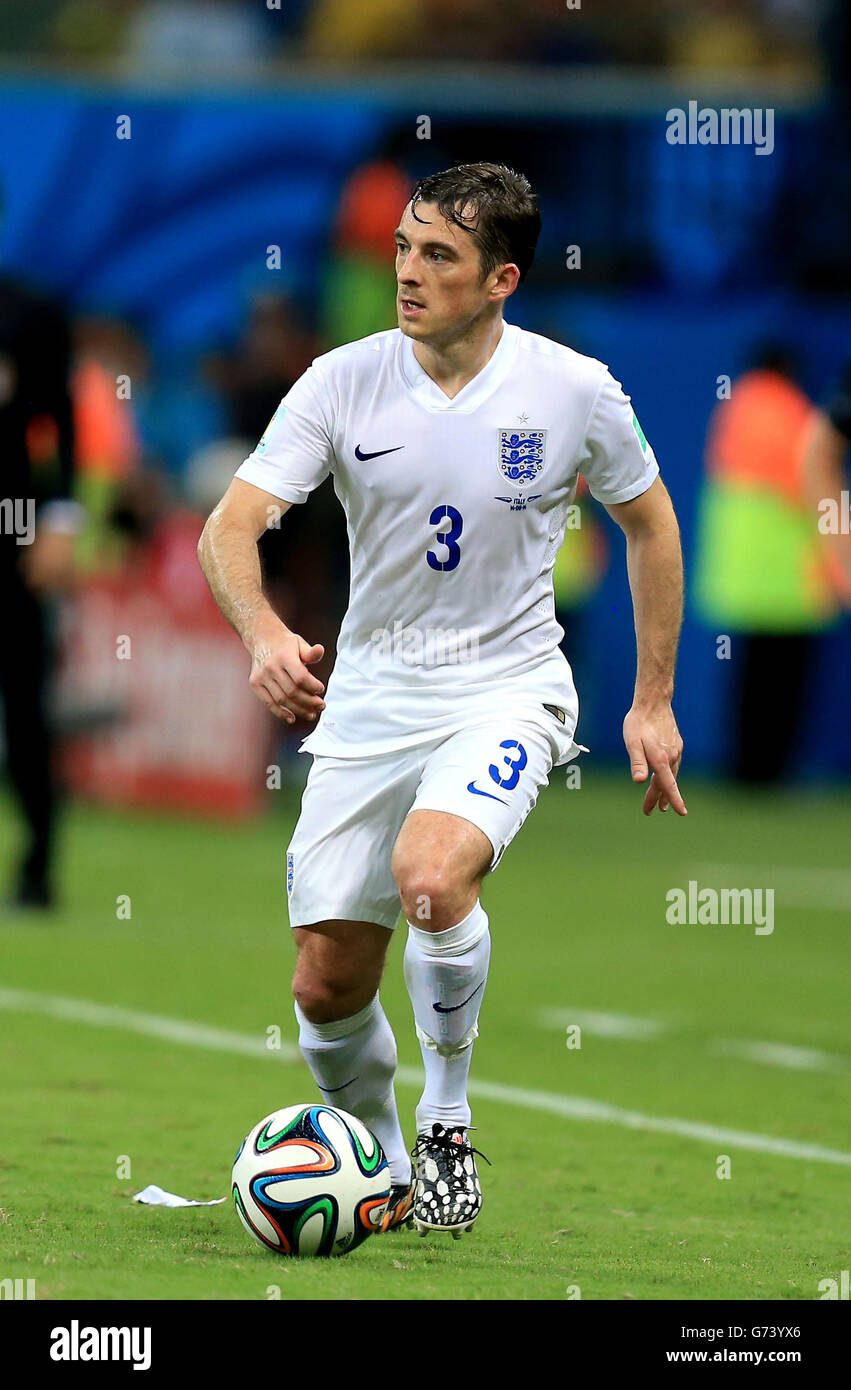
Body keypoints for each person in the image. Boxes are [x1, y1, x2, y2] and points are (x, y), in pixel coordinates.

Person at [198, 163, 685, 1237]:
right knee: (324, 989)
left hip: (506, 689)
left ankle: (448, 1126)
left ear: (500, 277)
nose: (405, 272)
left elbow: (649, 522)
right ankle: (373, 1163)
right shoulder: (341, 380)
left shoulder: (573, 390)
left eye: (436, 256)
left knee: (430, 876)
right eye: (403, 246)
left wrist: (650, 701)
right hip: (370, 701)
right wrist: (266, 634)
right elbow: (228, 526)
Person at [0, 271, 77, 908]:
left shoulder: (29, 312)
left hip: (12, 532)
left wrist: (59, 520)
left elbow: (62, 417)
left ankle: (37, 866)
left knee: (25, 706)